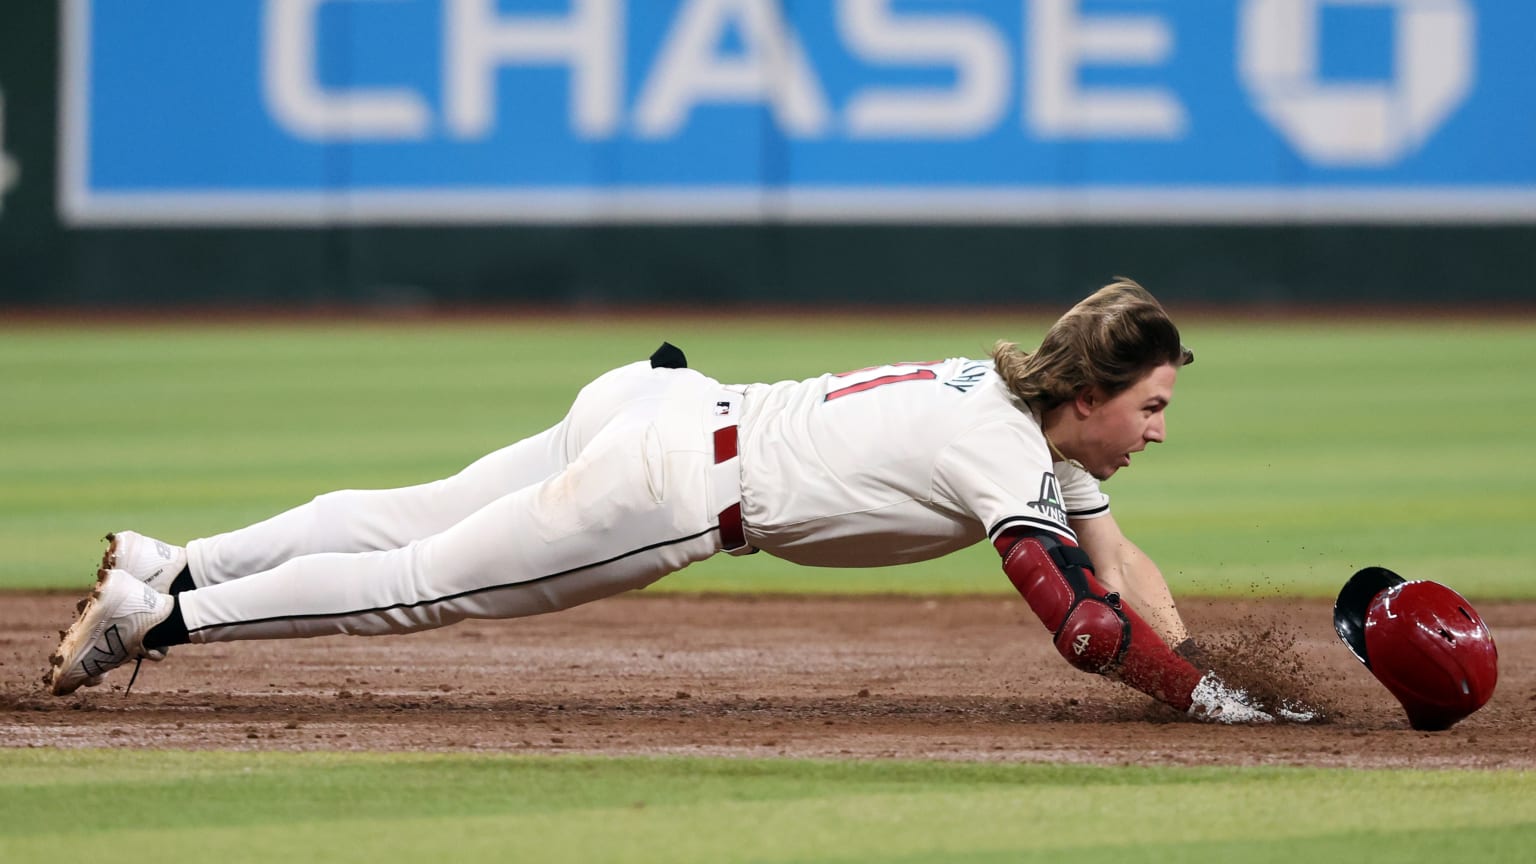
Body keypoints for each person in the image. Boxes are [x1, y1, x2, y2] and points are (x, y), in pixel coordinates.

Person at [46, 278, 1307, 723]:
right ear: (1090, 392)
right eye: (1150, 406)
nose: (1156, 429)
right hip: (671, 484)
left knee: (405, 512)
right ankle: (154, 621)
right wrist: (1213, 704)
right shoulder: (1005, 455)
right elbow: (1083, 624)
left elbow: (1118, 561)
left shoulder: (1018, 410)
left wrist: (1206, 668)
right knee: (415, 583)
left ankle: (178, 558)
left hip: (657, 404)